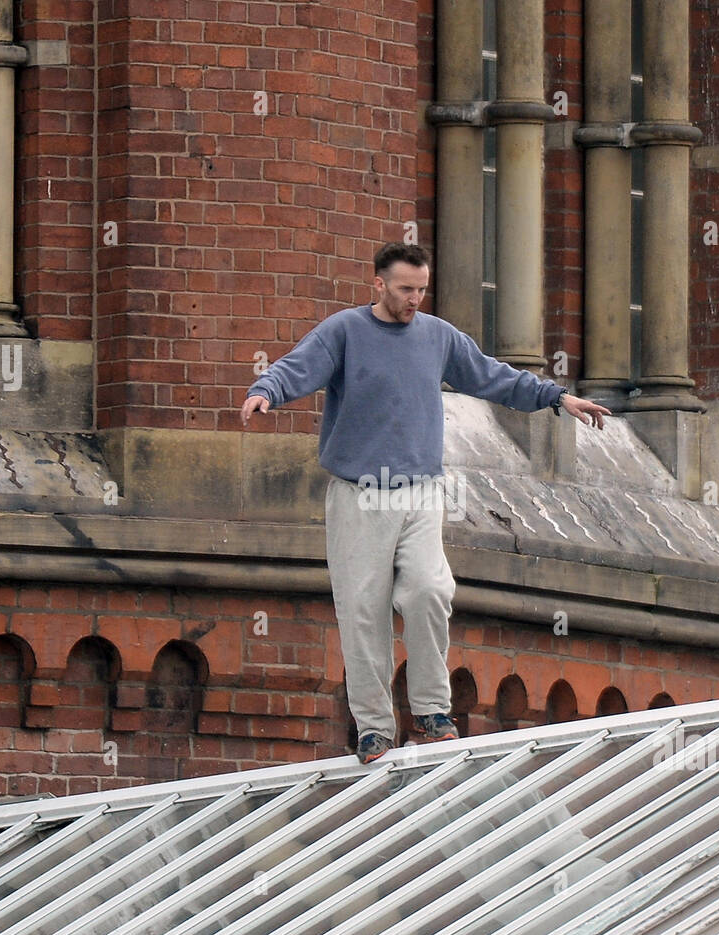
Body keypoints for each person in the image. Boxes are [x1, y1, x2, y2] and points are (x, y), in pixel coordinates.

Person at [241, 242, 610, 764]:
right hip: (359, 495)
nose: (414, 299)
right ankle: (373, 728)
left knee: (429, 591)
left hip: (420, 490)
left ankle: (432, 714)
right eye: (404, 289)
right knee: (363, 612)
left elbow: (492, 375)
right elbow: (299, 366)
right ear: (378, 284)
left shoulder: (437, 337)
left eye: (421, 289)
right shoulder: (346, 331)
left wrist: (556, 397)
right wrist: (267, 390)